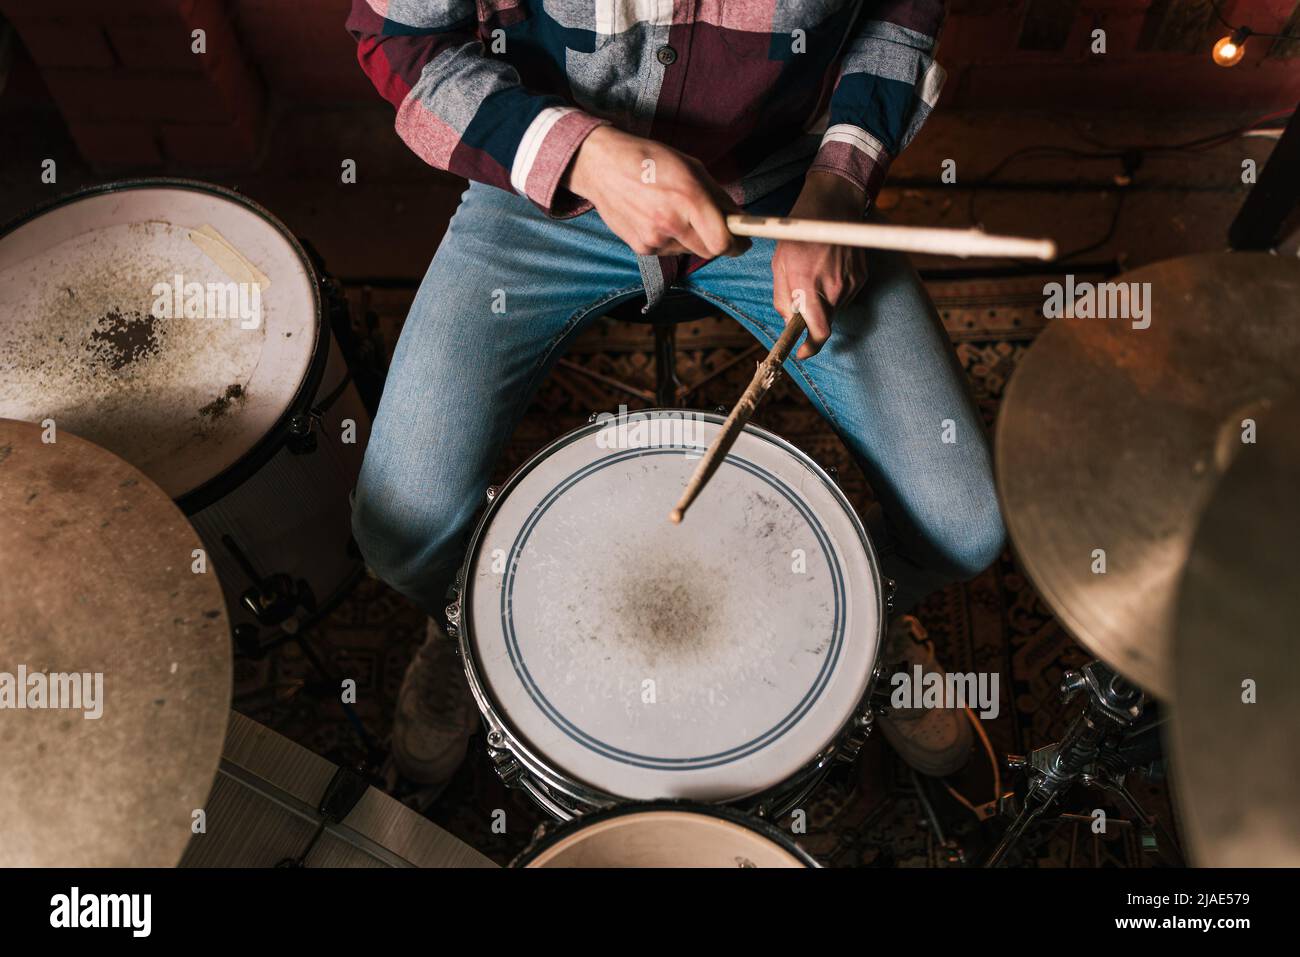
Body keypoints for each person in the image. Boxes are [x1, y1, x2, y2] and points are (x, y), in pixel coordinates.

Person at [346, 0, 1003, 790]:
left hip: (784, 189)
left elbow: (903, 17)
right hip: (543, 196)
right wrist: (583, 156)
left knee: (964, 525)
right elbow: (399, 37)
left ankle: (873, 612)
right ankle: (462, 622)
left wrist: (840, 183)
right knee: (398, 529)